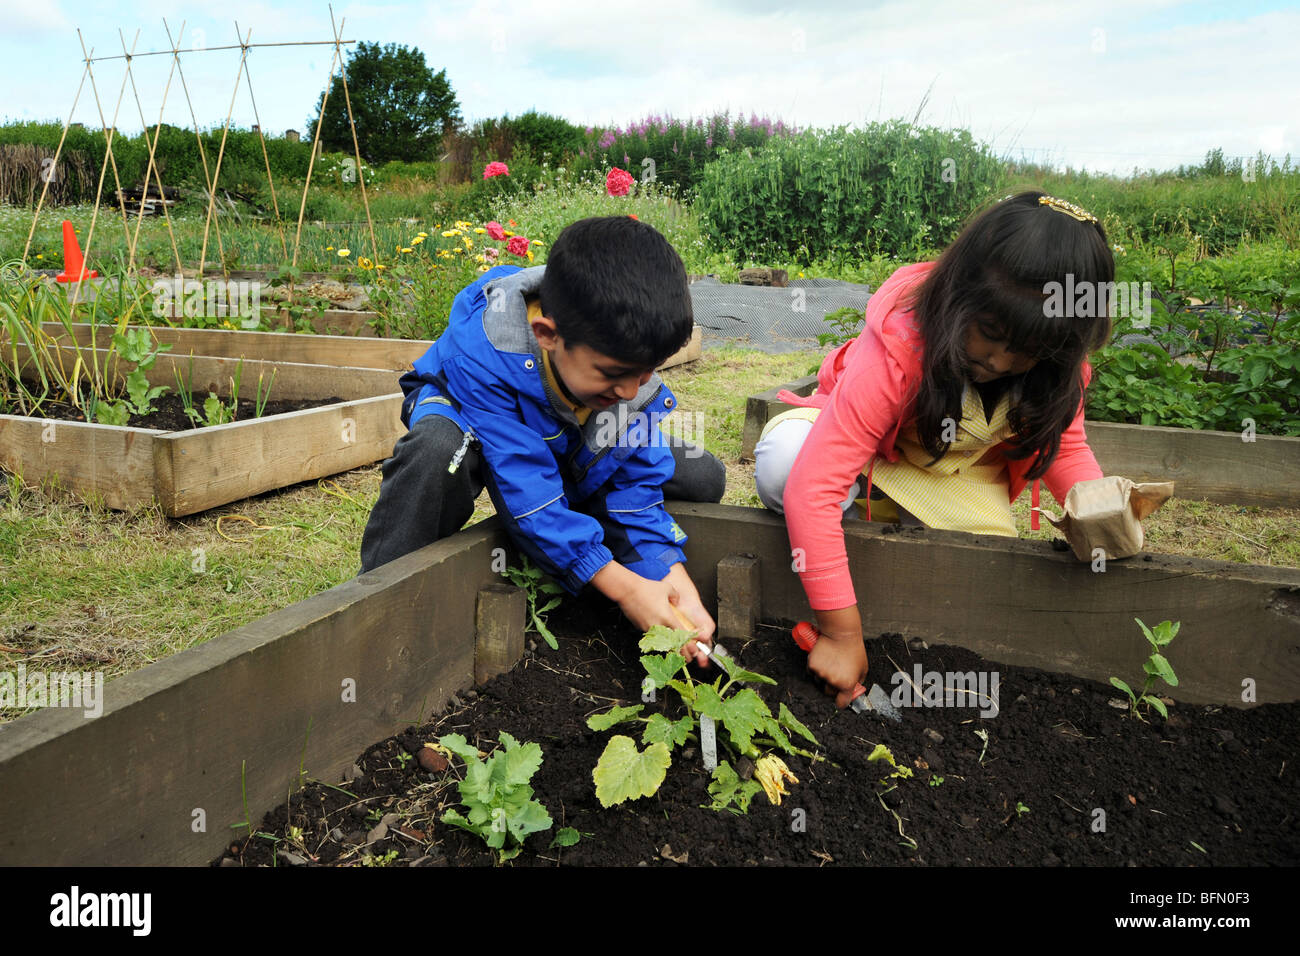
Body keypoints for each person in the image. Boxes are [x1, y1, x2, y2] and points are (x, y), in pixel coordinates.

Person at [755, 191, 1115, 706]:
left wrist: (1102, 511)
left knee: (976, 578)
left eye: (1027, 350)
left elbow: (1068, 448)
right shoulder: (902, 345)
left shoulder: (1059, 374)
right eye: (988, 333)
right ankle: (843, 550)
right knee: (786, 466)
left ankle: (863, 539)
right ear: (956, 295)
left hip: (950, 474)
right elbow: (814, 486)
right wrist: (841, 632)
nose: (999, 360)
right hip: (864, 453)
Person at [360, 215, 725, 659]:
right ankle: (374, 610)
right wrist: (624, 588)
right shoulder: (484, 357)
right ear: (548, 336)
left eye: (646, 373)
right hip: (471, 419)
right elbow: (529, 492)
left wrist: (668, 573)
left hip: (560, 435)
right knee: (437, 453)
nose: (631, 391)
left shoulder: (618, 368)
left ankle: (579, 524)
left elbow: (636, 481)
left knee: (702, 476)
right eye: (614, 375)